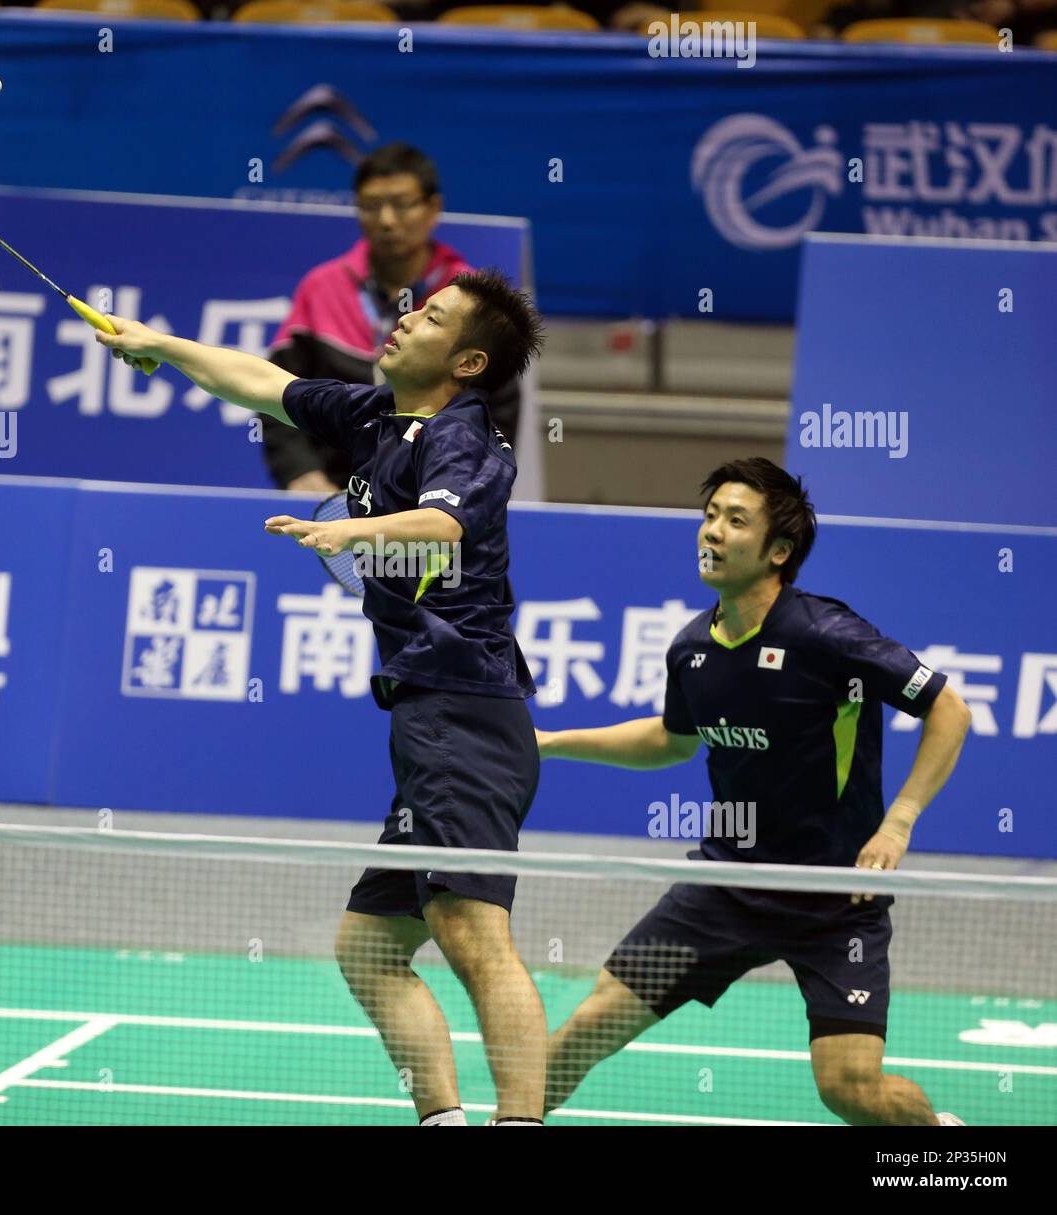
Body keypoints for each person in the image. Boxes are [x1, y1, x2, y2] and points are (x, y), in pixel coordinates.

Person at [97, 269, 548, 1126]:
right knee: (372, 947)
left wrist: (350, 529)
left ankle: (520, 1120)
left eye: (434, 317)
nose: (407, 317)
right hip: (426, 715)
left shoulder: (464, 441)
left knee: (472, 933)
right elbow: (265, 385)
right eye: (415, 306)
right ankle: (444, 1120)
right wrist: (159, 343)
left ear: (468, 359)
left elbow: (445, 526)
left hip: (466, 709)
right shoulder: (378, 416)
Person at [535, 458, 973, 1126]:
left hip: (835, 896)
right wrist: (553, 742)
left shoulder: (827, 634)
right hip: (727, 883)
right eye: (710, 515)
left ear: (778, 551)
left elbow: (949, 709)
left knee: (850, 1087)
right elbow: (673, 739)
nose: (712, 531)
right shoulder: (691, 648)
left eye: (735, 520)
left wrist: (899, 821)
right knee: (586, 1028)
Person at [262, 143, 522, 495]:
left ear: (432, 208)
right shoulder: (321, 288)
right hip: (332, 497)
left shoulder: (470, 299)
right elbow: (279, 391)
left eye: (401, 205)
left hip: (434, 494)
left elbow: (499, 410)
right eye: (371, 206)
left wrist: (455, 488)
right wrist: (301, 474)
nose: (386, 220)